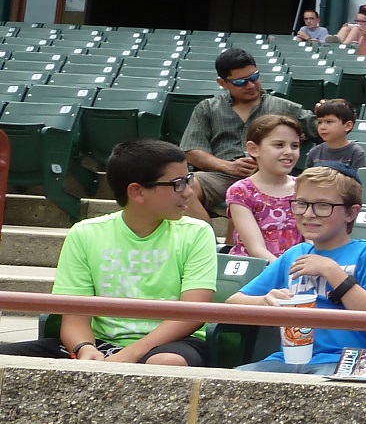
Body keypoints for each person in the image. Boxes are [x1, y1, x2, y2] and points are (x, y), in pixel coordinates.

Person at [0, 140, 216, 365]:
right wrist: (84, 348)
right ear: (137, 192)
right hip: (100, 344)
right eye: (178, 184)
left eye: (188, 180)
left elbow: (191, 314)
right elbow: (75, 316)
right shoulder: (85, 233)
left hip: (172, 344)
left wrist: (129, 354)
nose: (188, 192)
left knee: (166, 362)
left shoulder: (197, 233)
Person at [229, 166, 366, 375]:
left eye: (322, 206)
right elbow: (233, 302)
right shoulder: (295, 254)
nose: (308, 214)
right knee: (226, 383)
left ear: (351, 213)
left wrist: (332, 271)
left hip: (348, 361)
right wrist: (264, 301)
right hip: (288, 360)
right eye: (302, 204)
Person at [180, 48, 311, 223]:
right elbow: (191, 151)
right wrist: (228, 167)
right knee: (182, 186)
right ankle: (206, 237)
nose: (250, 85)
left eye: (254, 77)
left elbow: (326, 128)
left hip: (272, 175)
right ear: (222, 83)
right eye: (240, 82)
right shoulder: (208, 108)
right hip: (222, 175)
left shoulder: (285, 107)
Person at [225, 114, 303, 259]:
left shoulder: (304, 188)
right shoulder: (241, 191)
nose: (289, 151)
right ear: (253, 149)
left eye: (295, 146)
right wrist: (285, 270)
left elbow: (312, 240)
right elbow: (256, 249)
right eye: (279, 145)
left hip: (298, 266)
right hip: (259, 267)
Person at [309, 98, 366, 172]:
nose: (322, 127)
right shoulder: (314, 152)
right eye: (319, 122)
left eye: (329, 122)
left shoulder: (356, 152)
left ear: (347, 126)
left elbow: (357, 178)